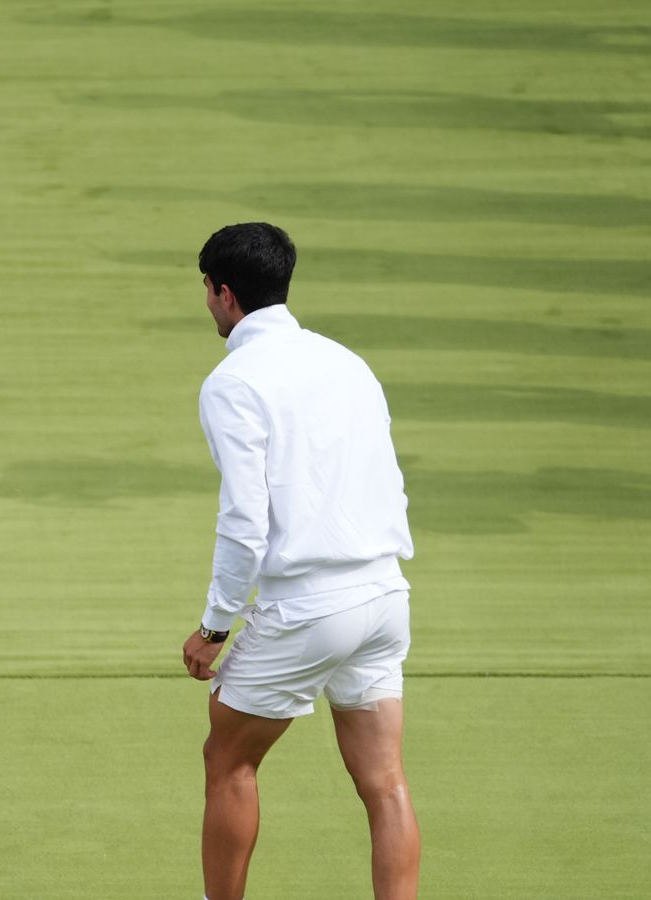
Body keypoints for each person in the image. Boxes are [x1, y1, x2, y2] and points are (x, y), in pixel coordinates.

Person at [180, 223, 420, 899]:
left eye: (206, 290)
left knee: (227, 760)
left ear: (225, 295)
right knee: (385, 782)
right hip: (384, 597)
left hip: (309, 608)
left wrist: (216, 626)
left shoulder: (232, 382)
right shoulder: (348, 362)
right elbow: (390, 479)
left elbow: (245, 522)